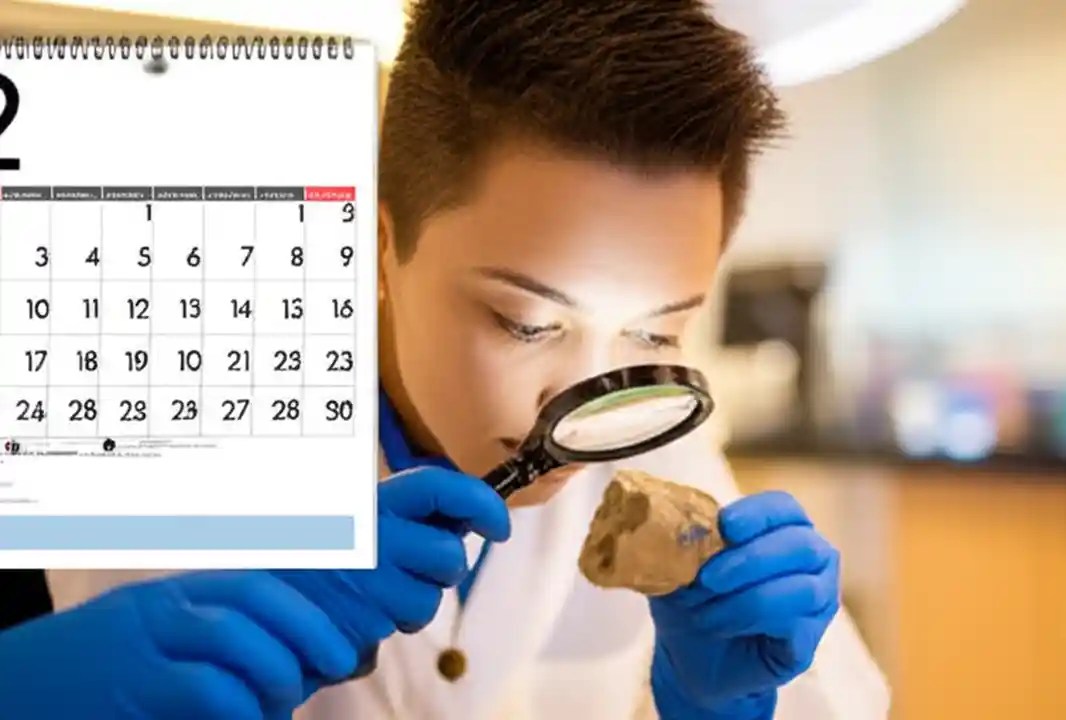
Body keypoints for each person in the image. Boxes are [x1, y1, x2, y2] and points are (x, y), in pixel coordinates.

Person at [6, 1, 892, 717]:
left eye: (656, 333)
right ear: (381, 248)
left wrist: (716, 711)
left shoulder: (648, 424)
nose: (592, 396)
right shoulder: (138, 382)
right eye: (524, 321)